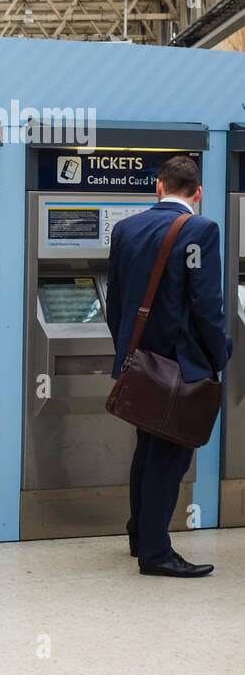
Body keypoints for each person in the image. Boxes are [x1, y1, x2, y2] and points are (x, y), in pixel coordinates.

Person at [105, 155, 232, 578]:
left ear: (158, 188)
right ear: (198, 193)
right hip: (181, 368)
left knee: (146, 450)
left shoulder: (125, 229)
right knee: (169, 458)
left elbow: (117, 304)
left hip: (141, 367)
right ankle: (156, 553)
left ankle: (139, 535)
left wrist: (128, 354)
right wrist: (219, 355)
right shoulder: (201, 229)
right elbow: (207, 305)